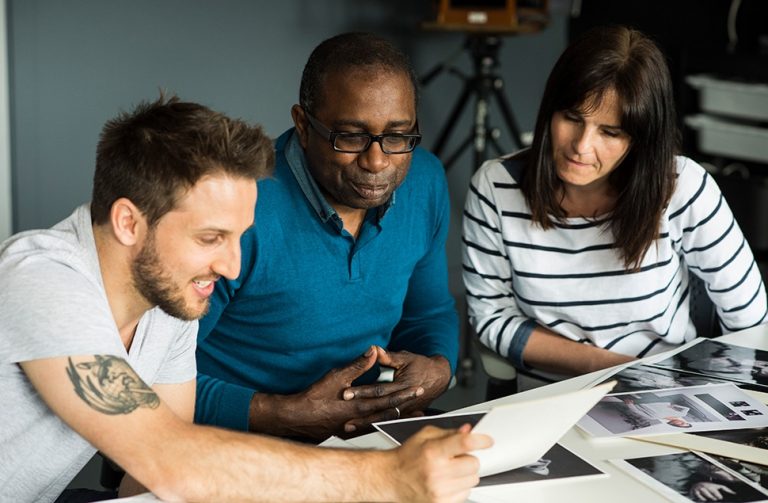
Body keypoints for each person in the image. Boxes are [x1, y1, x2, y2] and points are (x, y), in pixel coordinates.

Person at [0, 96, 491, 502]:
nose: (232, 267)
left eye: (239, 237)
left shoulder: (172, 300)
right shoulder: (43, 278)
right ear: (130, 222)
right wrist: (382, 478)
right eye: (211, 238)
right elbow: (168, 457)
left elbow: (149, 482)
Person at [462, 25, 768, 377]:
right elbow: (491, 317)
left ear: (640, 139)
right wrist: (609, 369)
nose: (581, 146)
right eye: (572, 118)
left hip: (666, 399)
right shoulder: (495, 186)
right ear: (550, 110)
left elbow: (749, 320)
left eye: (609, 132)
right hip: (550, 398)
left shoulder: (683, 186)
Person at [194, 32, 459, 440]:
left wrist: (440, 367)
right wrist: (280, 414)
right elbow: (150, 374)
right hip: (240, 436)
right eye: (350, 136)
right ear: (302, 125)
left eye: (396, 136)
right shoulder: (237, 203)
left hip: (364, 429)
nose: (377, 161)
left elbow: (427, 315)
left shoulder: (424, 181)